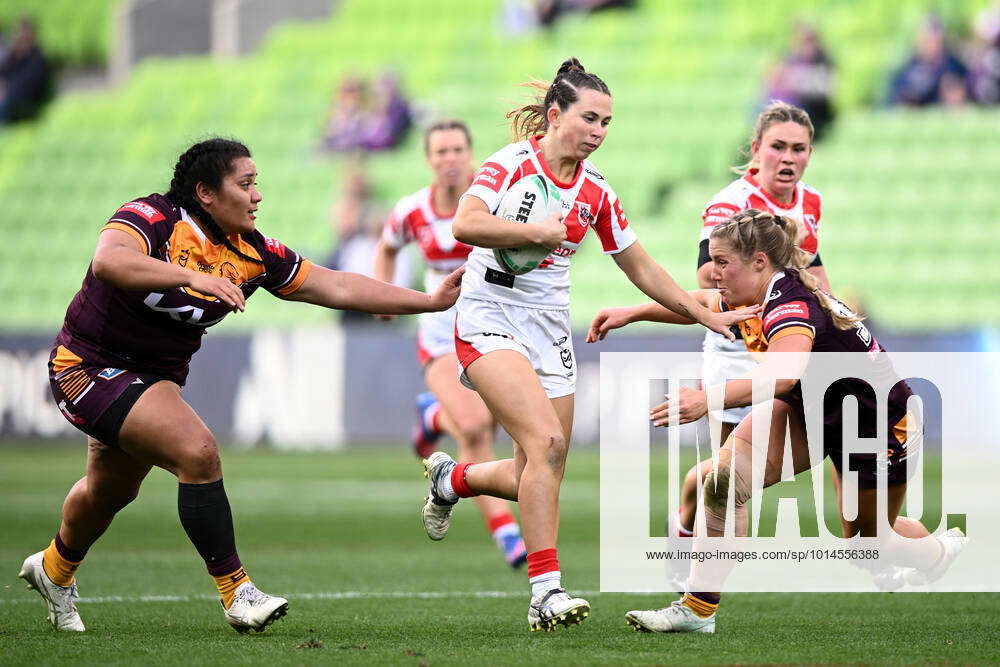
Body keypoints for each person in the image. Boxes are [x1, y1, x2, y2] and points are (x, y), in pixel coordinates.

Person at [17, 137, 463, 633]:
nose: (257, 196)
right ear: (206, 193)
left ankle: (54, 570)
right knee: (199, 452)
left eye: (257, 184)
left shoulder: (253, 252)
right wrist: (191, 277)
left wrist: (429, 300)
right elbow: (110, 262)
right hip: (88, 362)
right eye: (245, 184)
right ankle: (237, 592)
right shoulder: (152, 217)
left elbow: (336, 285)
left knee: (109, 490)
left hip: (155, 376)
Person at [416, 58, 760, 632]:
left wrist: (703, 312)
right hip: (488, 315)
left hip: (550, 328)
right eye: (590, 119)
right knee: (547, 444)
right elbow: (466, 225)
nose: (599, 132)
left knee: (540, 464)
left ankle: (453, 480)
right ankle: (545, 591)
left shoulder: (596, 192)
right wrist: (534, 232)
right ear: (555, 116)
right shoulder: (510, 164)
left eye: (607, 123)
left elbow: (641, 266)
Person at [588, 209, 967, 633]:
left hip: (877, 422)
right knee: (724, 481)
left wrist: (707, 399)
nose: (713, 272)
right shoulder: (751, 293)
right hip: (810, 409)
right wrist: (632, 312)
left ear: (760, 263)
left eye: (722, 261)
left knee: (867, 545)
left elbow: (781, 373)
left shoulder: (790, 303)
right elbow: (701, 304)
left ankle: (937, 554)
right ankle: (697, 609)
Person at [373, 119, 527, 568]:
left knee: (490, 424)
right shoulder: (413, 210)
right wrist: (385, 293)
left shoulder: (494, 199)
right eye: (441, 152)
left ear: (471, 152)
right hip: (441, 331)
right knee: (476, 429)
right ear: (429, 160)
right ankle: (507, 534)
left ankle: (433, 416)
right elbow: (386, 247)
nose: (450, 159)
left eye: (458, 149)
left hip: (494, 322)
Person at [674, 101, 827, 544]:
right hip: (736, 351)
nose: (788, 157)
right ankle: (692, 555)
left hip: (786, 344)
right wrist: (776, 287)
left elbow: (814, 269)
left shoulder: (811, 201)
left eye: (798, 148)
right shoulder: (730, 203)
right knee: (726, 476)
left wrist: (831, 311)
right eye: (777, 146)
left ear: (809, 154)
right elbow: (707, 277)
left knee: (745, 473)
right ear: (757, 149)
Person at [764, 23, 835, 141]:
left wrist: (794, 81)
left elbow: (825, 90)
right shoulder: (790, 58)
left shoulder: (823, 60)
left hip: (813, 111)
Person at [888, 15, 969, 107]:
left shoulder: (955, 67)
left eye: (936, 41)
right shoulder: (906, 70)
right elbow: (892, 101)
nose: (932, 46)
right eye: (928, 41)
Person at [0, 18, 51, 124]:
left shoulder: (38, 59)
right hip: (10, 96)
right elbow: (4, 73)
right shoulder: (14, 56)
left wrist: (6, 92)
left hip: (26, 100)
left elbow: (29, 85)